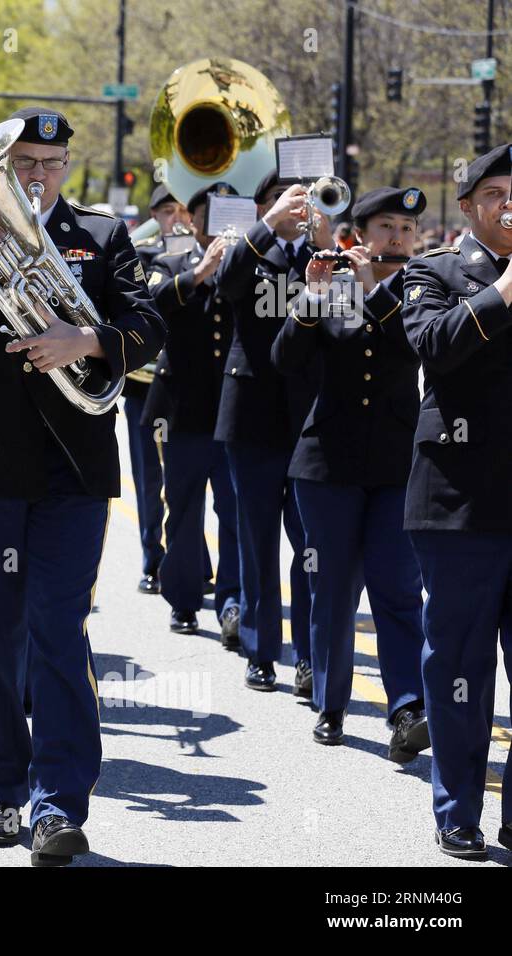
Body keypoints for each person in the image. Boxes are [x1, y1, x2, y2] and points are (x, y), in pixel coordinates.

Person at [0, 108, 164, 864]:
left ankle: (57, 802)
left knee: (57, 629)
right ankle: (1, 788)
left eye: (50, 161)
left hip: (73, 469)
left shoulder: (104, 236)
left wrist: (90, 340)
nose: (37, 174)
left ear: (67, 166)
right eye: (25, 162)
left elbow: (150, 322)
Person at [273, 186, 429, 757]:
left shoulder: (424, 289)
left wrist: (374, 288)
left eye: (407, 230)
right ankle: (331, 702)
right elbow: (284, 361)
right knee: (334, 588)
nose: (397, 238)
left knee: (397, 587)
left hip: (394, 465)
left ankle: (408, 706)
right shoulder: (329, 290)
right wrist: (311, 300)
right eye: (386, 227)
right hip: (327, 464)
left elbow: (416, 346)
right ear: (359, 235)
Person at [401, 145, 512, 860]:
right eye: (497, 193)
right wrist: (503, 294)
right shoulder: (434, 271)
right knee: (462, 668)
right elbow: (434, 347)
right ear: (468, 205)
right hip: (461, 505)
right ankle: (458, 811)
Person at [214, 170, 321, 694]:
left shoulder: (322, 255)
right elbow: (227, 282)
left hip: (309, 422)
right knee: (258, 541)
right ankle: (261, 650)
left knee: (309, 546)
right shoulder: (247, 249)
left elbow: (345, 320)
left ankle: (308, 655)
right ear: (261, 207)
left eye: (302, 198)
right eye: (281, 199)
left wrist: (325, 244)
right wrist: (270, 227)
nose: (295, 205)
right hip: (252, 415)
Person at [143, 182, 241, 640]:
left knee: (235, 510)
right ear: (192, 219)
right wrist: (201, 272)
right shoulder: (171, 262)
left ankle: (233, 602)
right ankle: (182, 599)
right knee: (182, 510)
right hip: (182, 410)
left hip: (235, 411)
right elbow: (153, 306)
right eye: (209, 215)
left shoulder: (248, 267)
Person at [125, 182, 187, 595]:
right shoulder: (140, 256)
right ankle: (154, 558)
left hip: (190, 387)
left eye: (184, 211)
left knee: (188, 480)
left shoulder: (212, 255)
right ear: (155, 216)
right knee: (150, 478)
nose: (177, 219)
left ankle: (189, 561)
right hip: (145, 387)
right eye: (167, 211)